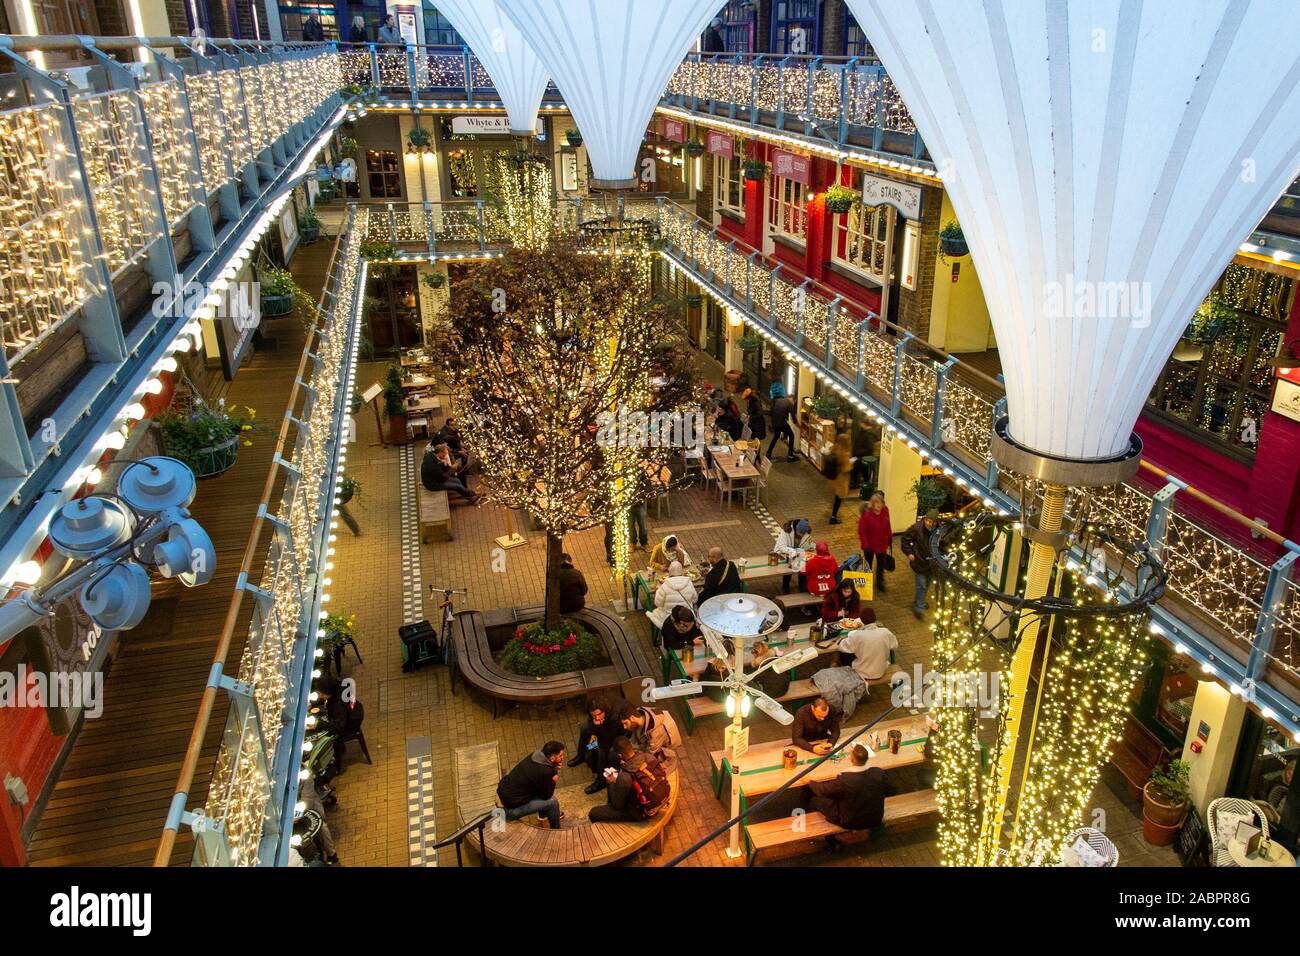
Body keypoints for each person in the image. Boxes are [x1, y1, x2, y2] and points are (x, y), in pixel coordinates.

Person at [807, 744, 893, 839]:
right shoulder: (878, 773)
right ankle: (875, 832)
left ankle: (830, 838)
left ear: (852, 760)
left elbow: (823, 790)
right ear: (867, 758)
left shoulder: (846, 779)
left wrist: (810, 782)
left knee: (815, 800)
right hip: (875, 817)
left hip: (851, 821)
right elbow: (891, 790)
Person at [588, 737, 672, 823]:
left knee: (594, 813)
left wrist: (612, 783)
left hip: (642, 811)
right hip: (662, 795)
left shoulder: (625, 777)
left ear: (620, 756)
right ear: (631, 746)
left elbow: (617, 805)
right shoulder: (648, 756)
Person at [497, 741, 566, 829]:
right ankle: (556, 830)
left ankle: (543, 816)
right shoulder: (545, 772)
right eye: (560, 756)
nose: (563, 758)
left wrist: (552, 770)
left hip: (504, 791)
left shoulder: (535, 756)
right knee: (553, 802)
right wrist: (554, 778)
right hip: (509, 810)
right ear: (552, 758)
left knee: (540, 788)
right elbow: (546, 795)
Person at [568, 698, 621, 794]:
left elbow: (606, 740)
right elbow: (590, 722)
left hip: (613, 739)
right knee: (585, 728)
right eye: (594, 715)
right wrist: (593, 733)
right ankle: (581, 755)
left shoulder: (614, 717)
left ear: (604, 711)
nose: (597, 718)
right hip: (601, 733)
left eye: (599, 714)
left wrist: (597, 728)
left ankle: (601, 781)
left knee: (601, 750)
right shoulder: (593, 713)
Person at [316, 676, 364, 771]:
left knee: (327, 737)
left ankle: (335, 764)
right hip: (350, 716)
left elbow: (339, 726)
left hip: (349, 725)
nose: (320, 696)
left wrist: (319, 724)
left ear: (330, 693)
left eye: (322, 693)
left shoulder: (338, 706)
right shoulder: (340, 690)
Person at [901, 508, 940, 617]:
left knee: (926, 584)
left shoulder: (938, 530)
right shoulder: (917, 528)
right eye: (927, 520)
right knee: (921, 585)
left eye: (931, 521)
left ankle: (920, 600)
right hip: (920, 562)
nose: (928, 523)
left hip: (932, 564)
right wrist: (909, 553)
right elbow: (904, 539)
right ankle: (919, 607)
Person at [618, 704, 678, 771]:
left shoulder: (655, 732)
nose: (624, 727)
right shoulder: (639, 717)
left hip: (664, 751)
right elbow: (633, 739)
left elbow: (649, 754)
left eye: (625, 723)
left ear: (632, 718)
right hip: (649, 744)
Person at [857, 492, 893, 592]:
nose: (879, 505)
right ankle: (867, 583)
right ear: (872, 504)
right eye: (877, 503)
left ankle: (880, 582)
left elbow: (888, 524)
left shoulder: (885, 511)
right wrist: (865, 546)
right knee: (868, 564)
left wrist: (889, 537)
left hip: (882, 544)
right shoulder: (867, 516)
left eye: (881, 503)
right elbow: (862, 531)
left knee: (881, 564)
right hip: (870, 545)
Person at [775, 517, 812, 593]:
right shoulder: (786, 532)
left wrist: (808, 550)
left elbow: (809, 545)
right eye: (800, 533)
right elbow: (781, 547)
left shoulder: (807, 533)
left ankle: (802, 588)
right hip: (784, 555)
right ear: (796, 529)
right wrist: (792, 551)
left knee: (803, 568)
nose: (801, 536)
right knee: (788, 569)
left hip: (799, 555)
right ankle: (786, 587)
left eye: (803, 534)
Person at [828, 431, 855, 524]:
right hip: (841, 479)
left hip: (835, 478)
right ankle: (833, 517)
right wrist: (851, 462)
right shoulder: (845, 453)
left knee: (837, 497)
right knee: (839, 498)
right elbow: (846, 468)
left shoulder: (835, 447)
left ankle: (833, 514)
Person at [767, 382, 797, 461]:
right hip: (781, 423)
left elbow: (772, 411)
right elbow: (794, 419)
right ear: (793, 400)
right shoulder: (790, 404)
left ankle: (768, 453)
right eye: (794, 402)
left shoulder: (779, 400)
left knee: (776, 436)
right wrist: (799, 426)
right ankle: (790, 456)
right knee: (792, 436)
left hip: (774, 422)